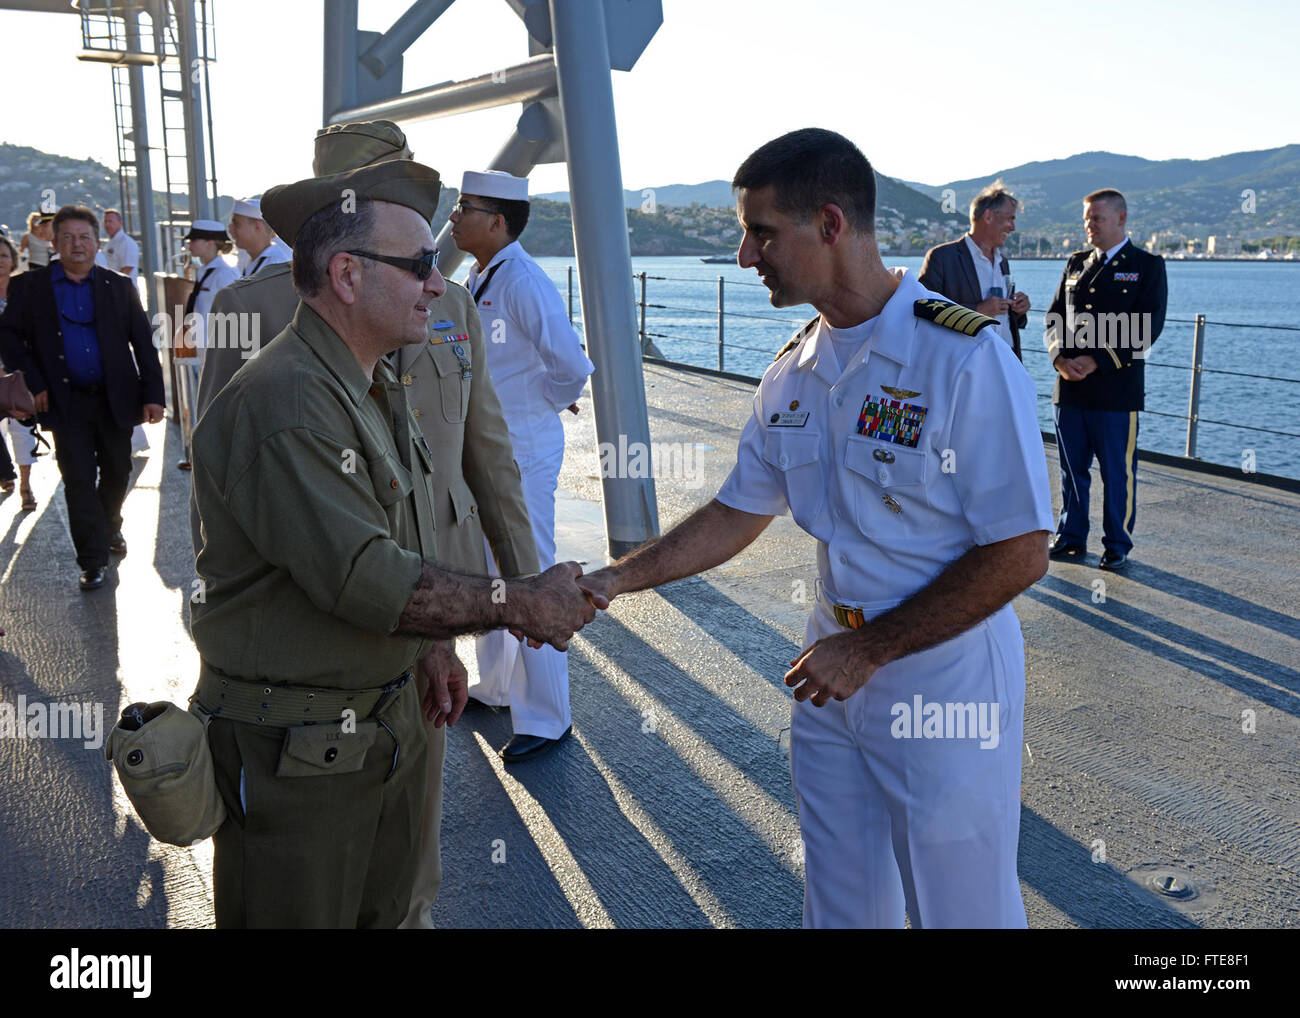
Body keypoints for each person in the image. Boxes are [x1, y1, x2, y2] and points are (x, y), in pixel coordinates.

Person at [576, 129, 1053, 929]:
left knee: (962, 910)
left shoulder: (962, 360)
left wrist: (870, 650)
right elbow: (738, 509)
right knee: (841, 903)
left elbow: (1020, 551)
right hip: (830, 669)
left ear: (830, 224)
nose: (742, 256)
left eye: (761, 232)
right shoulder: (793, 372)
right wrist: (614, 579)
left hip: (940, 679)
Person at [188, 158, 598, 928]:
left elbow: (404, 532)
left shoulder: (363, 381)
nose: (437, 283)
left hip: (376, 722)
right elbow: (372, 576)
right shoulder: (291, 401)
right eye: (416, 267)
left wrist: (431, 648)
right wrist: (520, 600)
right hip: (299, 753)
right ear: (347, 275)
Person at [451, 169, 594, 763]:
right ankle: (498, 685)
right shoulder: (482, 274)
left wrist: (544, 405)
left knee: (529, 571)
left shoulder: (524, 281)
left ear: (497, 222)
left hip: (522, 450)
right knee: (490, 567)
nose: (453, 218)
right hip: (487, 448)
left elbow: (573, 366)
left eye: (464, 208)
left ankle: (546, 715)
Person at [0, 206, 165, 591]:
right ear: (54, 243)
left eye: (85, 237)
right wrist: (35, 381)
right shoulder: (30, 287)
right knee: (76, 479)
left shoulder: (119, 287)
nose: (77, 244)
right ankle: (91, 560)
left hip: (115, 399)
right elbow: (7, 337)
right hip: (63, 399)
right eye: (68, 238)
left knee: (118, 471)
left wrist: (153, 395)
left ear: (97, 243)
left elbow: (143, 343)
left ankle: (110, 526)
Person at [1045, 188, 1167, 571]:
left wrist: (1096, 360)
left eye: (1096, 218)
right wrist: (1059, 359)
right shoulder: (1076, 263)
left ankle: (1116, 544)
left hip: (1116, 391)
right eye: (1086, 218)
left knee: (1117, 472)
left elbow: (1147, 328)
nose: (1089, 225)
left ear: (1121, 218)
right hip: (1070, 389)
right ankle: (1071, 537)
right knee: (1071, 470)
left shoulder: (1147, 265)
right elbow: (1053, 319)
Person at [918, 181, 1029, 359]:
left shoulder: (1002, 262)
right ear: (988, 216)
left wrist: (1019, 311)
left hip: (1006, 363)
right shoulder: (942, 257)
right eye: (1010, 218)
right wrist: (976, 311)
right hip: (963, 366)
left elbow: (1006, 321)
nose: (1013, 227)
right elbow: (924, 311)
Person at [0, 235, 41, 511]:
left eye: (3, 256)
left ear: (13, 259)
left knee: (21, 429)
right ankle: (5, 471)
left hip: (21, 373)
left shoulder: (26, 291)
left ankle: (25, 484)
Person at [228, 197, 291, 278]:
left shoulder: (276, 264)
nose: (230, 230)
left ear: (257, 227)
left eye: (237, 224)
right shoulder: (250, 259)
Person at [101, 209, 140, 284]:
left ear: (120, 223)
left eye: (110, 221)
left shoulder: (127, 243)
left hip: (123, 291)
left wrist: (111, 285)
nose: (107, 225)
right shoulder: (110, 243)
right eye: (105, 222)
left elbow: (127, 269)